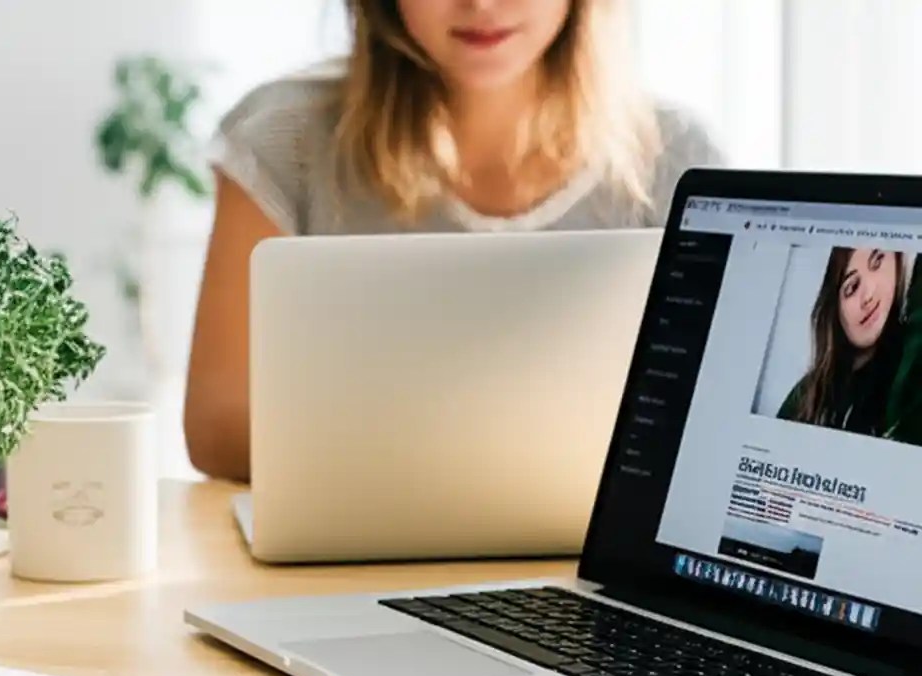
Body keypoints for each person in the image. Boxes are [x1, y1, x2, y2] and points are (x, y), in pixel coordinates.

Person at [184, 0, 725, 481]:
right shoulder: (285, 140)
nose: (482, 4)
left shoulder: (673, 158)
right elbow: (218, 425)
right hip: (350, 551)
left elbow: (707, 427)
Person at [778, 247, 922, 444]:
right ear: (834, 308)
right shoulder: (806, 397)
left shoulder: (909, 362)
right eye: (852, 287)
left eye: (878, 262)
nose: (869, 296)